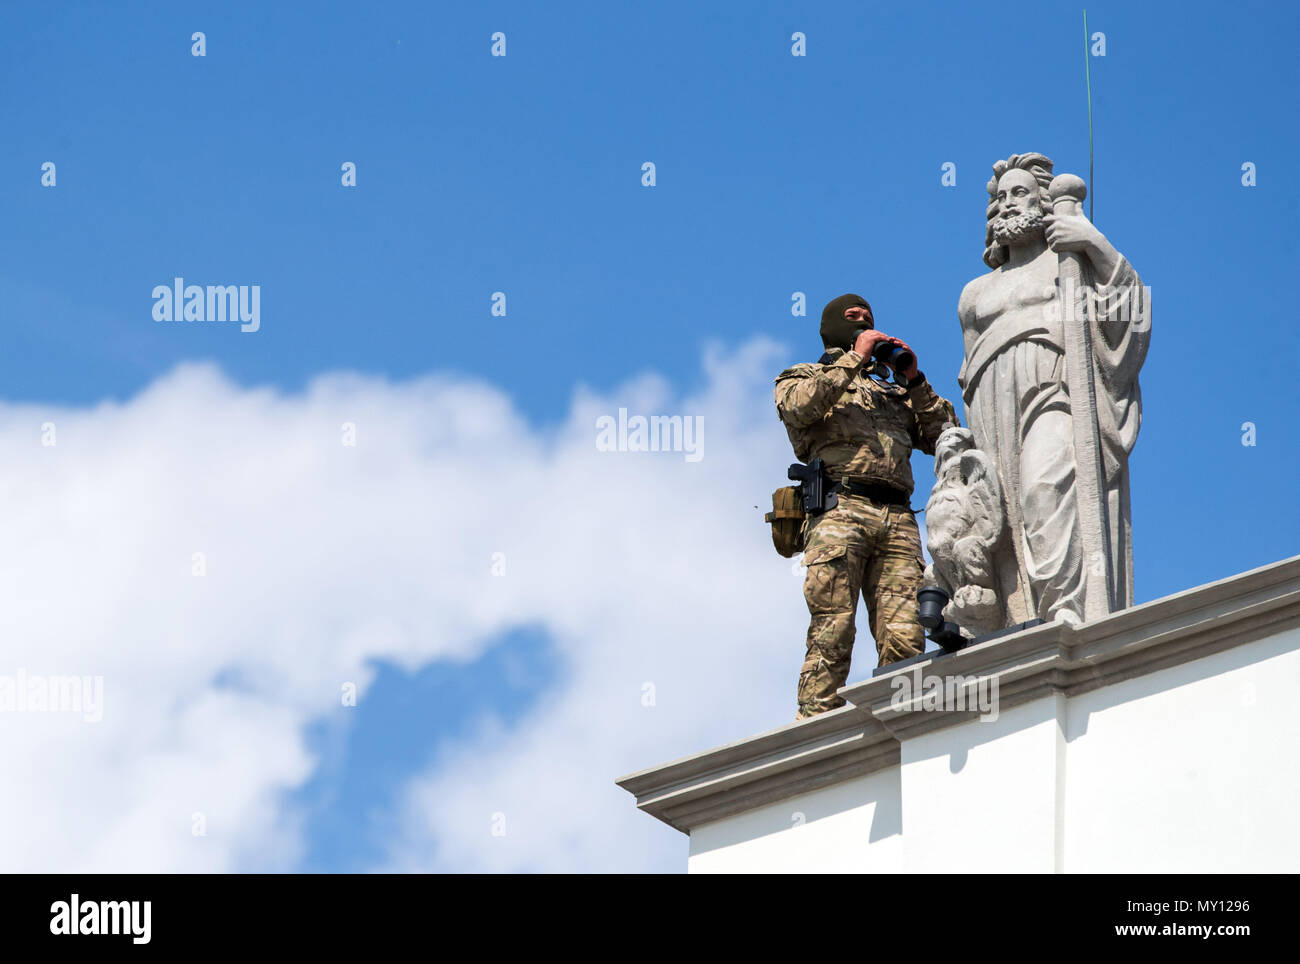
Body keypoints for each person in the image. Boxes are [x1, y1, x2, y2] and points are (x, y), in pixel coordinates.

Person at [775, 294, 957, 719]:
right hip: (841, 509)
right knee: (832, 628)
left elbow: (946, 435)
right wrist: (854, 359)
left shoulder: (893, 391)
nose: (863, 322)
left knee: (906, 634)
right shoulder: (804, 376)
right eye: (852, 318)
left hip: (898, 517)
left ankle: (901, 724)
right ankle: (815, 729)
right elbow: (801, 408)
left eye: (868, 318)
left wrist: (913, 379)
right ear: (832, 327)